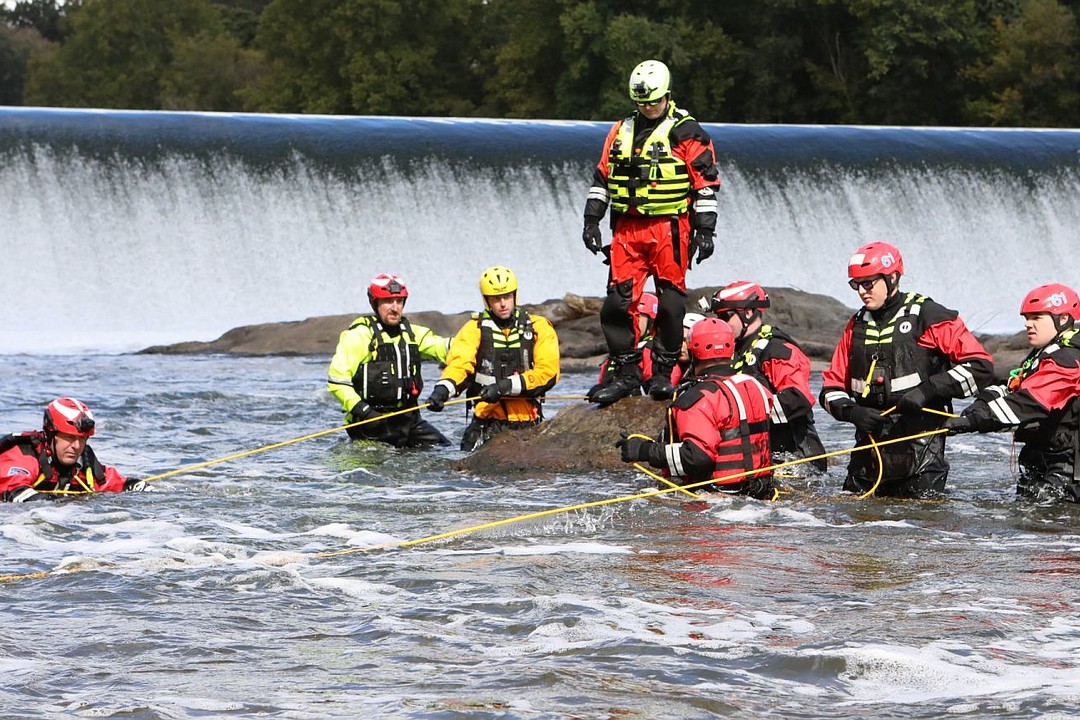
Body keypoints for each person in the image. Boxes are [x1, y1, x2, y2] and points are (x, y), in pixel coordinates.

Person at [582, 59, 722, 405]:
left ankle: (663, 372)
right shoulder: (620, 130)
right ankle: (627, 374)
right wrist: (591, 220)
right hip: (627, 229)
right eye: (642, 102)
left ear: (667, 96)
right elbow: (602, 177)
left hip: (669, 228)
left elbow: (705, 184)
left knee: (671, 305)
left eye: (654, 102)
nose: (648, 107)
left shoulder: (688, 132)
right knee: (617, 304)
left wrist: (705, 231)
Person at [819, 242, 995, 498]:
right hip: (868, 454)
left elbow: (981, 367)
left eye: (868, 283)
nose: (862, 291)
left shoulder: (929, 315)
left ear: (892, 278)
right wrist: (852, 412)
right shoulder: (855, 325)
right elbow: (830, 389)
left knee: (920, 520)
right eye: (856, 285)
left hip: (921, 455)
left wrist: (927, 391)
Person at [946, 283, 1080, 503]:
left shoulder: (1068, 360)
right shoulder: (1043, 353)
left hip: (1068, 469)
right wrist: (981, 403)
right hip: (1045, 459)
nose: (1028, 324)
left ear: (1063, 319)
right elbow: (1012, 387)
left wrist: (975, 421)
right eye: (1026, 318)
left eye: (1036, 318)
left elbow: (1029, 402)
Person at [616, 318, 776, 499]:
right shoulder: (756, 386)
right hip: (762, 493)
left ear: (693, 352)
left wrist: (644, 451)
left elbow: (697, 458)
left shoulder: (696, 399)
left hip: (717, 498)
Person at [425, 266, 560, 451]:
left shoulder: (539, 327)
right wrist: (443, 389)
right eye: (496, 299)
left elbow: (548, 373)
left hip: (527, 420)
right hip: (486, 419)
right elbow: (460, 364)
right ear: (487, 300)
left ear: (515, 296)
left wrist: (505, 386)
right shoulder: (474, 329)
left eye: (507, 297)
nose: (503, 304)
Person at [712, 281, 828, 473]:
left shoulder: (777, 350)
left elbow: (798, 399)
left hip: (796, 459)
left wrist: (744, 415)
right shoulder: (734, 351)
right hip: (760, 456)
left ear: (748, 313)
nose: (720, 323)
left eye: (725, 316)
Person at [327, 273, 451, 447]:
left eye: (399, 301)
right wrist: (364, 412)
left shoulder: (413, 334)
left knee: (444, 448)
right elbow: (337, 381)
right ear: (375, 303)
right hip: (370, 423)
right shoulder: (358, 336)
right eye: (387, 301)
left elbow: (447, 348)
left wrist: (474, 336)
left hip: (409, 420)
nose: (394, 308)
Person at [0, 398, 136, 502]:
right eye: (69, 437)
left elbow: (118, 484)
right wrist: (59, 505)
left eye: (82, 439)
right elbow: (13, 491)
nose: (76, 446)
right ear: (50, 434)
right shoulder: (22, 454)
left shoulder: (85, 465)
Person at [587, 292, 658, 401]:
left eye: (638, 316)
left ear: (651, 322)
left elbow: (653, 389)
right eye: (629, 316)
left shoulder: (651, 351)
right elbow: (603, 379)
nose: (632, 320)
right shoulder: (617, 351)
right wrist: (600, 388)